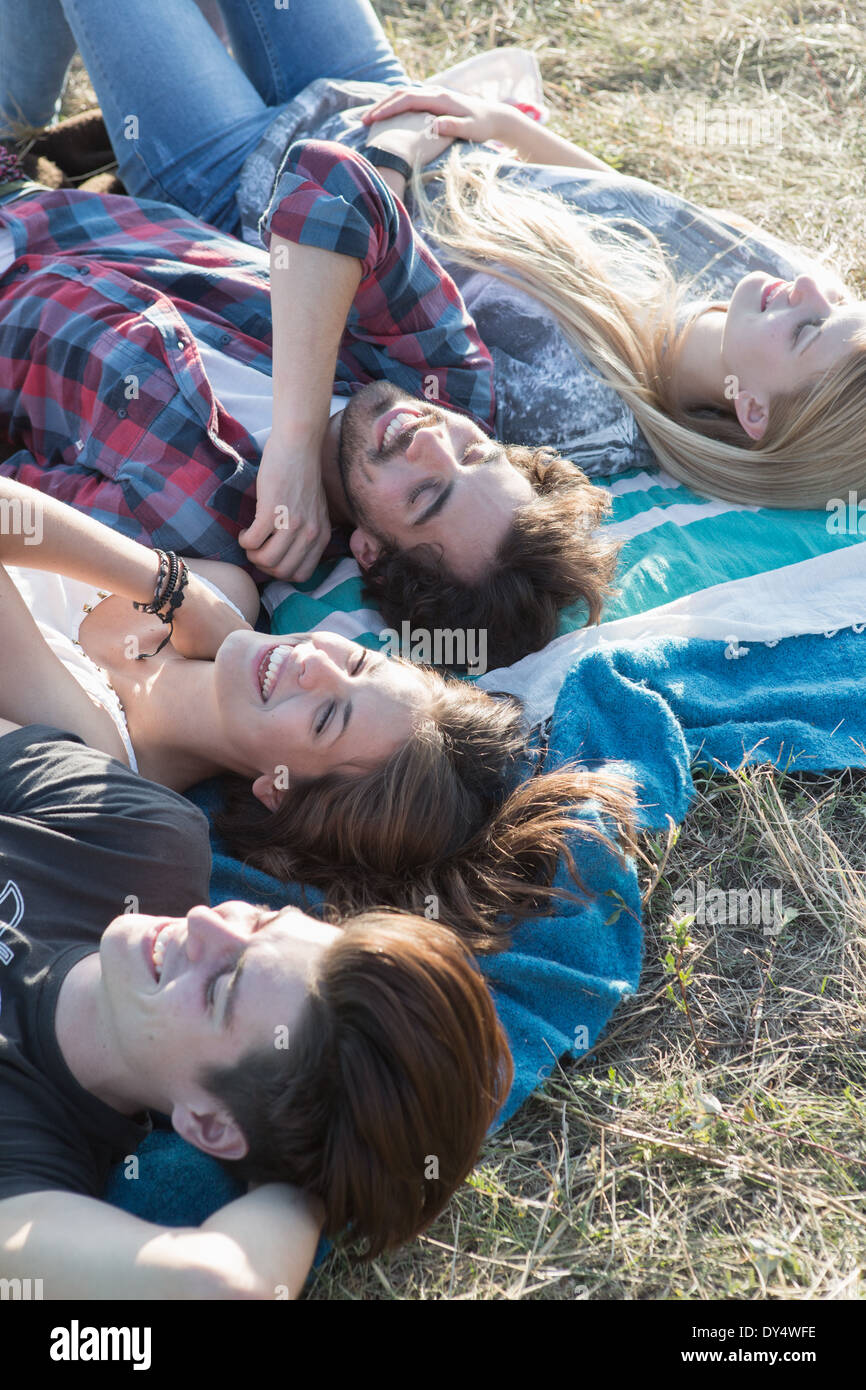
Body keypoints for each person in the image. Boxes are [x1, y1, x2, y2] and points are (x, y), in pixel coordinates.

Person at [0, 474, 636, 950]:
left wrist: (175, 590)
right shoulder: (236, 592)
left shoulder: (92, 758)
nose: (316, 666)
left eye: (326, 718)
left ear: (278, 795)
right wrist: (197, 600)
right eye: (358, 665)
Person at [0, 722, 513, 1296]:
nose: (202, 921)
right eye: (259, 920)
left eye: (221, 987)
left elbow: (222, 1288)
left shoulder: (26, 1164)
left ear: (211, 1124)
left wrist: (303, 1187)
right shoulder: (137, 839)